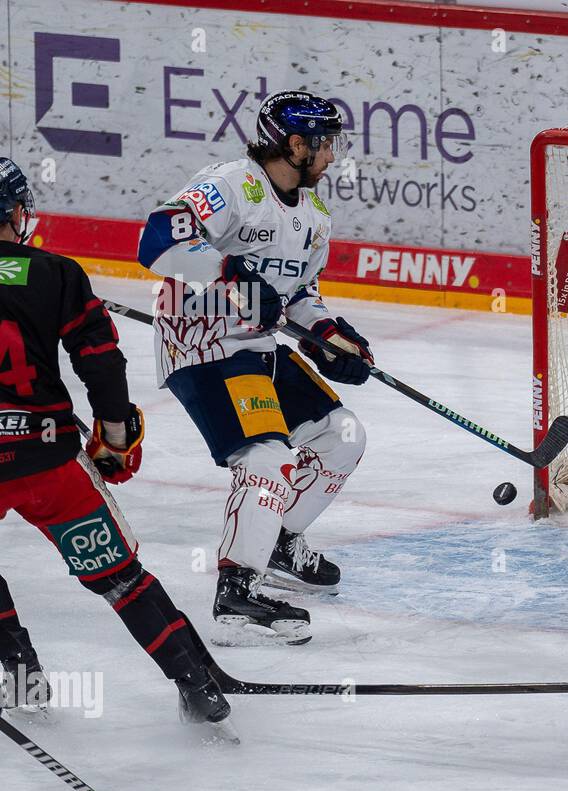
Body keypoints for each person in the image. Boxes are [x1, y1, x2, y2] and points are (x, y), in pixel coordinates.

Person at [0, 157, 232, 734]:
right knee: (122, 578)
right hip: (50, 460)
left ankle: (19, 676)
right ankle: (196, 684)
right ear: (14, 213)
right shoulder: (55, 272)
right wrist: (115, 434)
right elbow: (101, 360)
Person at [137, 90, 372, 644]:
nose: (333, 157)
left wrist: (330, 336)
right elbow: (155, 239)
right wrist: (231, 274)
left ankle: (279, 544)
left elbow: (296, 297)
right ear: (296, 145)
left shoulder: (313, 215)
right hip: (203, 344)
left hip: (256, 349)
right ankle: (237, 595)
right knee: (266, 459)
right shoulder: (232, 184)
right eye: (326, 144)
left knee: (344, 436)